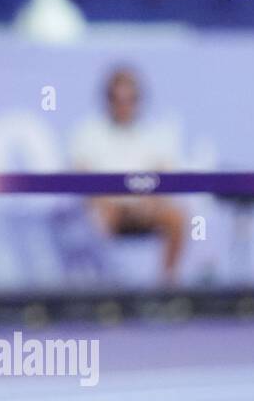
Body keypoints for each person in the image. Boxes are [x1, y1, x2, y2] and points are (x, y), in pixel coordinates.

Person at [69, 66, 186, 284]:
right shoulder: (89, 132)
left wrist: (150, 202)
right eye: (117, 99)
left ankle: (168, 288)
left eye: (130, 99)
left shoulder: (153, 133)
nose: (124, 106)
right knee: (96, 221)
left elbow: (163, 176)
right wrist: (103, 202)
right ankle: (104, 290)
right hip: (108, 207)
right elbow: (82, 177)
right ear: (108, 100)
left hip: (145, 207)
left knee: (176, 217)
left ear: (139, 100)